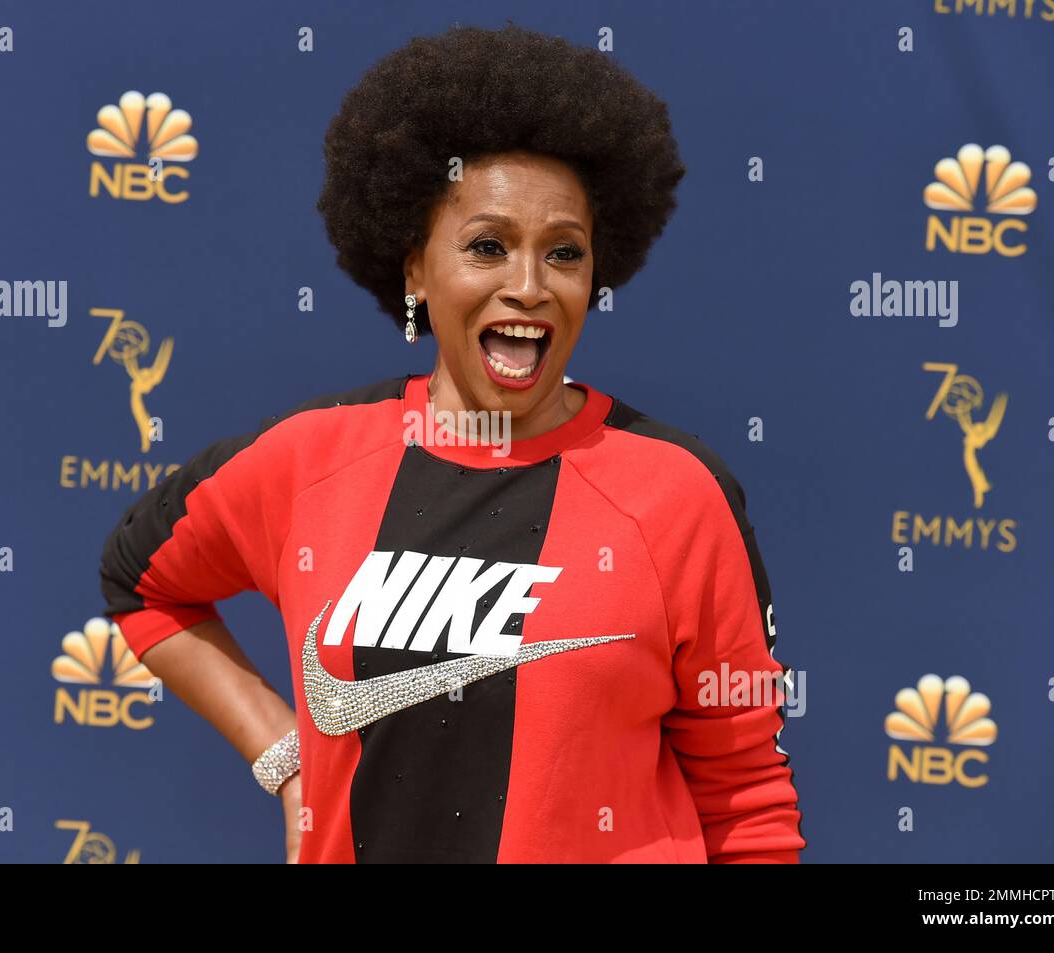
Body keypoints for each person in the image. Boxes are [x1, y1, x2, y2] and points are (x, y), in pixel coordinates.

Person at [100, 23, 805, 863]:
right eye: (487, 246)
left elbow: (747, 807)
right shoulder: (310, 460)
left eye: (565, 253)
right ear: (414, 271)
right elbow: (141, 581)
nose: (529, 286)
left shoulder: (677, 493)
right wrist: (286, 760)